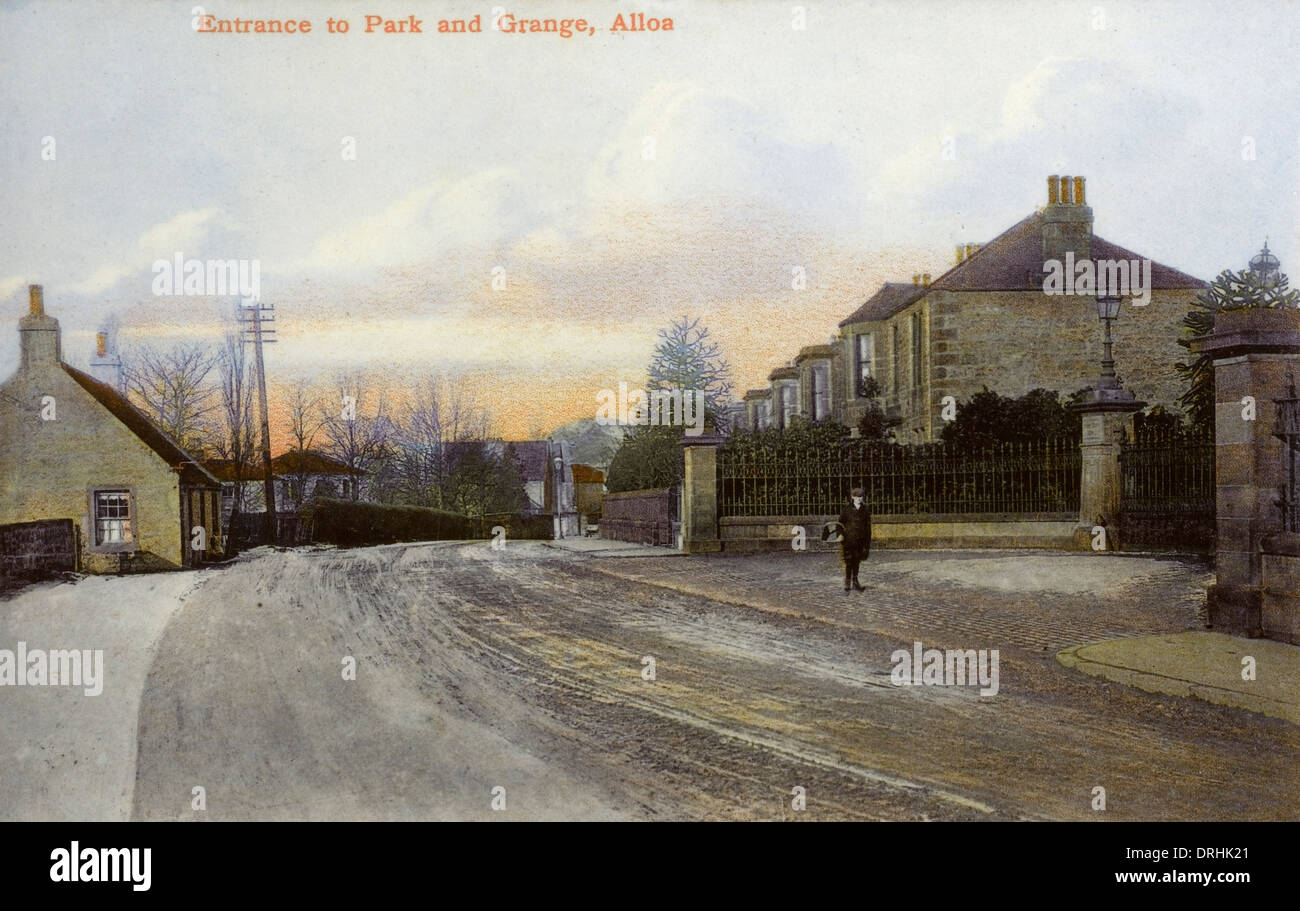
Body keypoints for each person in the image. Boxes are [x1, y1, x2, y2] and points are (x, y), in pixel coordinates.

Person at [836, 486, 871, 593]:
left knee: (857, 561)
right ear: (852, 497)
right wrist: (840, 535)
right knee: (848, 561)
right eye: (857, 497)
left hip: (860, 540)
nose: (859, 499)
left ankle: (855, 582)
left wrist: (867, 542)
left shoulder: (865, 510)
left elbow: (868, 527)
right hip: (848, 540)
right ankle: (847, 582)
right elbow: (839, 524)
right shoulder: (847, 510)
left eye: (861, 497)